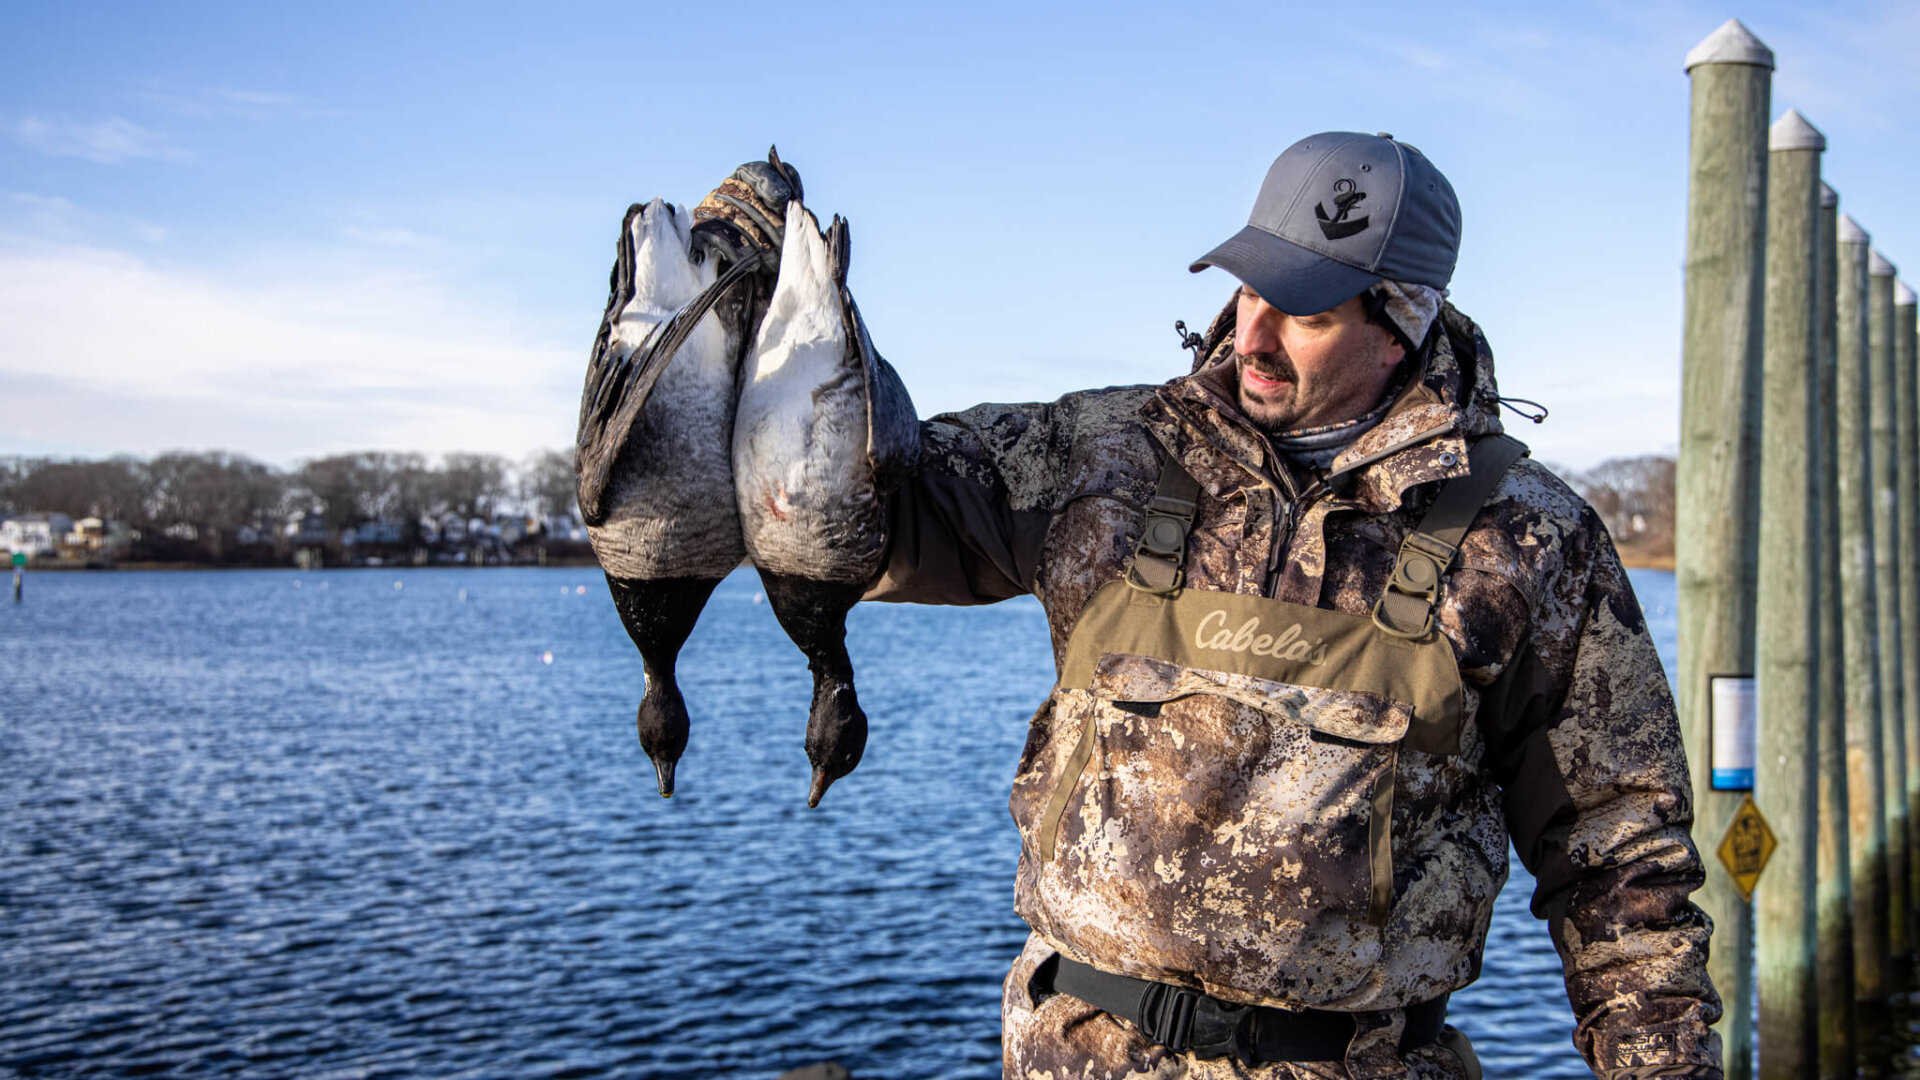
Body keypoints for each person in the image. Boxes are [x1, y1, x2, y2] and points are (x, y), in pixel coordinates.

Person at [693, 132, 1721, 1080]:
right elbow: (860, 502)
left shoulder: (1528, 540)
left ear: (1403, 320)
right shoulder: (1101, 458)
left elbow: (1619, 849)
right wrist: (760, 306)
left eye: (1308, 312)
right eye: (1248, 288)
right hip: (1073, 1056)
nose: (1254, 333)